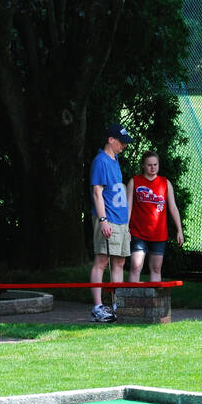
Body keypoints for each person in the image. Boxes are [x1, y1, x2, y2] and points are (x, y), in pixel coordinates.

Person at [89, 124, 133, 321]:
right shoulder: (100, 161)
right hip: (108, 220)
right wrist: (103, 220)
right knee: (101, 261)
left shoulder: (115, 160)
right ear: (110, 140)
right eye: (121, 141)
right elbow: (97, 192)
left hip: (121, 220)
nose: (124, 145)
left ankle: (117, 304)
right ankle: (98, 307)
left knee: (119, 262)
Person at [127, 151, 184, 283]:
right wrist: (126, 228)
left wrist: (179, 230)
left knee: (156, 268)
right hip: (138, 232)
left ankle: (154, 302)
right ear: (143, 165)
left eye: (155, 164)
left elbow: (173, 208)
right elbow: (128, 207)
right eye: (149, 165)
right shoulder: (134, 181)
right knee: (136, 266)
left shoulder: (165, 183)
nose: (153, 168)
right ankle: (132, 300)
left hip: (158, 233)